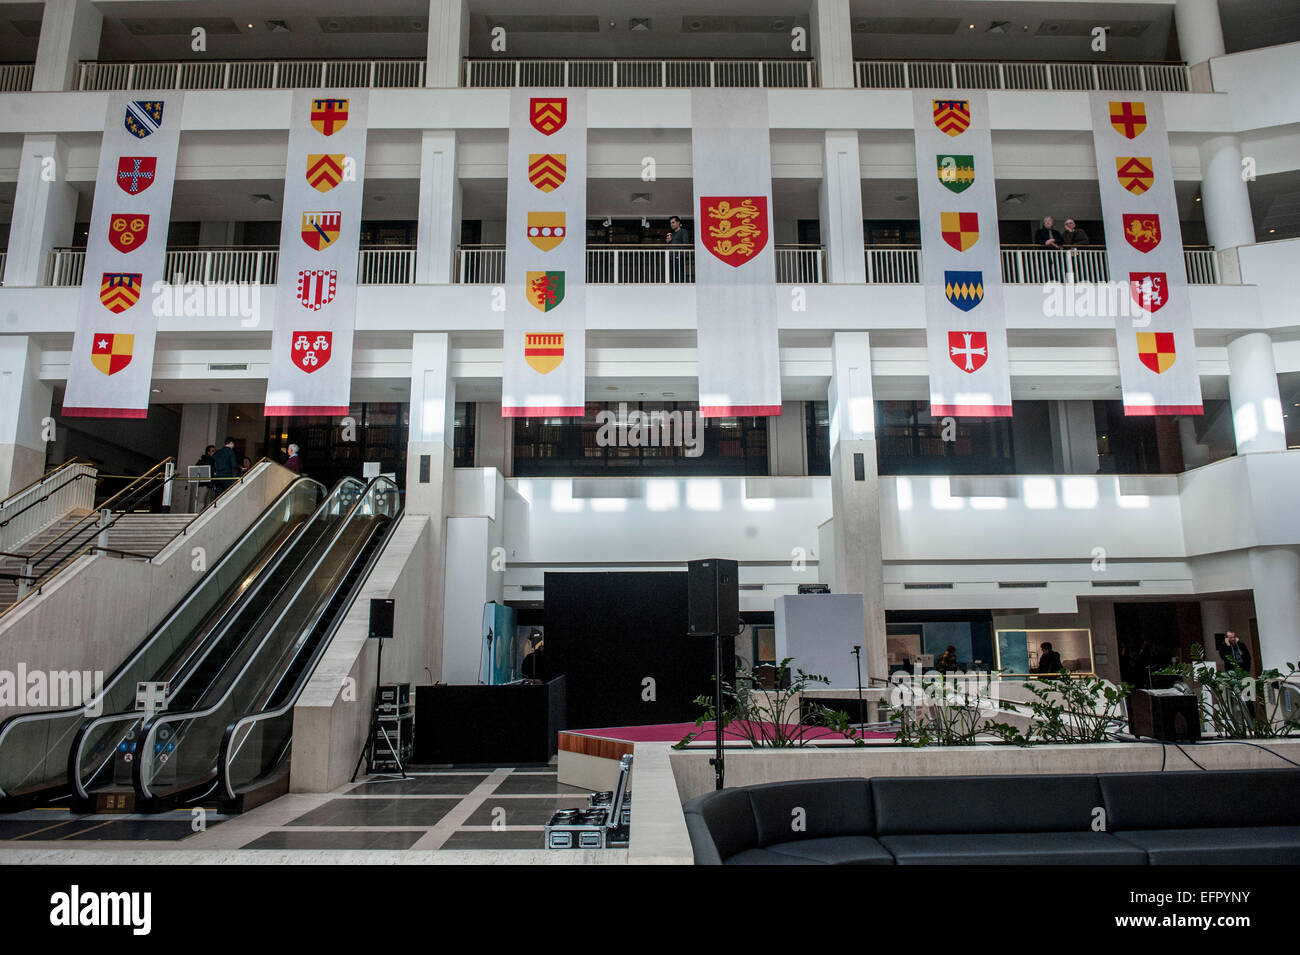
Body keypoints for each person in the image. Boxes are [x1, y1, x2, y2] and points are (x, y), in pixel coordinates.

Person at [666, 215, 691, 283]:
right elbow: (668, 247)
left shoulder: (683, 231)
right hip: (671, 258)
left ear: (678, 223)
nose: (671, 224)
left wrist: (680, 255)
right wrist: (668, 242)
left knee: (679, 276)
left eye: (673, 222)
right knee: (671, 276)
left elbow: (685, 244)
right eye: (670, 223)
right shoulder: (672, 234)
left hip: (678, 258)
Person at [194, 445, 216, 510]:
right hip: (205, 484)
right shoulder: (209, 460)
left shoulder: (205, 460)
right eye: (213, 451)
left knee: (204, 502)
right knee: (202, 502)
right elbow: (210, 471)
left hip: (205, 484)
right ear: (208, 452)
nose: (214, 452)